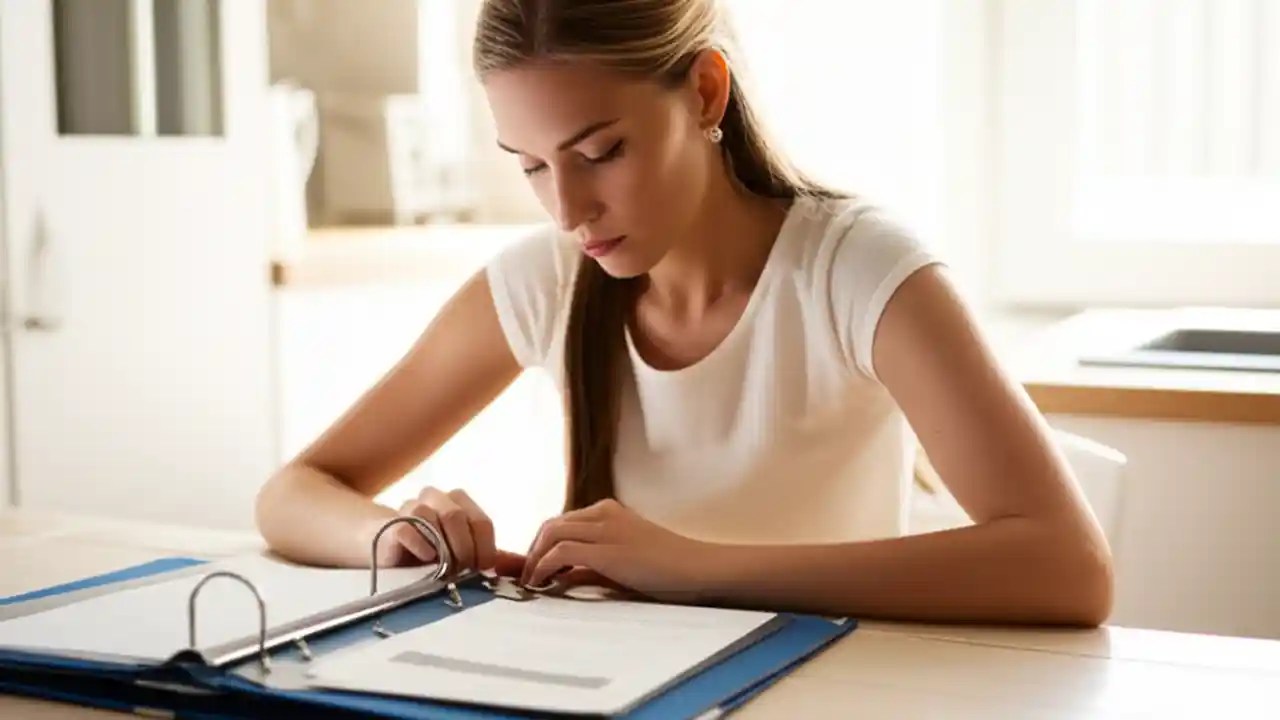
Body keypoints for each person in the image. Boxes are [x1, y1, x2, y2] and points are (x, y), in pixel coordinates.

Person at [255, 0, 1113, 626]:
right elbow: (294, 494)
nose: (569, 211)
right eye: (532, 167)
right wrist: (400, 533)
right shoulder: (547, 281)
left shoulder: (855, 271)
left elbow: (1069, 567)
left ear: (706, 93)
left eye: (601, 152)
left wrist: (698, 570)